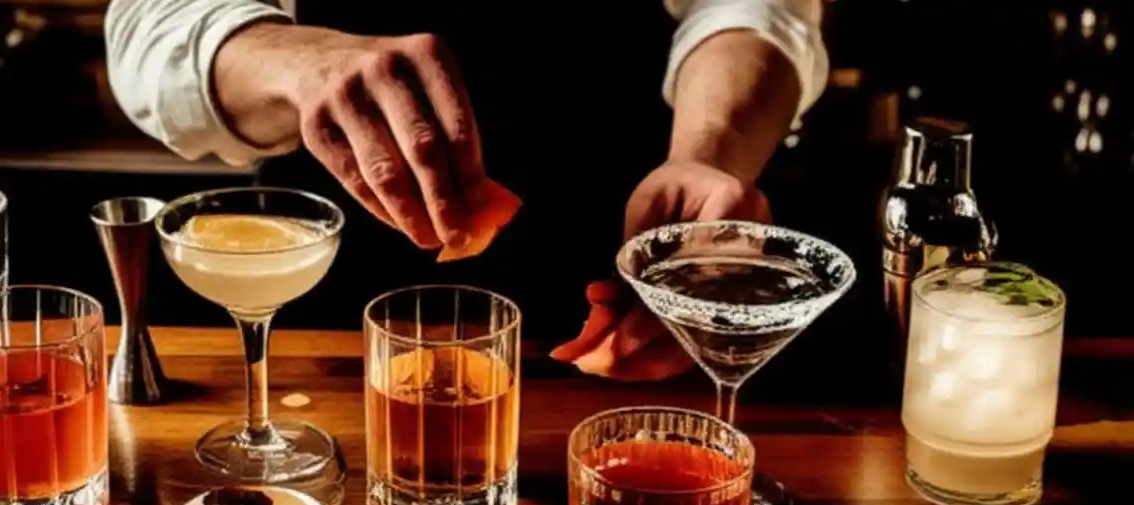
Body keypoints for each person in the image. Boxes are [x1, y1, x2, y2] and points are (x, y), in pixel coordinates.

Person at [105, 0, 827, 380]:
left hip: (627, 269)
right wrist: (303, 62)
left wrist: (708, 156)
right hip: (327, 344)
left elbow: (752, 6)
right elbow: (151, 24)